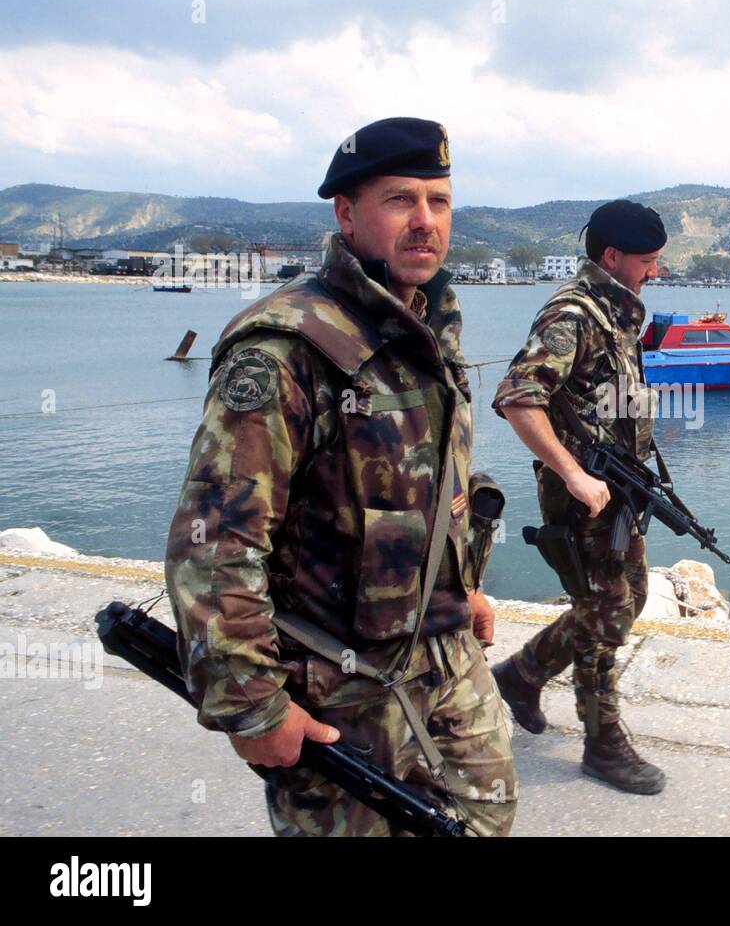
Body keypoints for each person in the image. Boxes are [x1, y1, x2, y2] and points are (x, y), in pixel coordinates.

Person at [164, 117, 516, 836]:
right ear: (347, 215)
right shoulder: (287, 348)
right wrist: (250, 702)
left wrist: (460, 587)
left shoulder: (428, 323)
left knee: (486, 818)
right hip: (340, 687)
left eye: (439, 201)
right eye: (400, 200)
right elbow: (216, 541)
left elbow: (424, 483)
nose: (425, 221)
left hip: (443, 656)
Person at [490, 199, 668, 795]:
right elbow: (518, 398)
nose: (655, 272)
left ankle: (521, 674)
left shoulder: (616, 313)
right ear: (611, 256)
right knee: (604, 615)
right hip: (585, 499)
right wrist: (571, 474)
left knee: (626, 599)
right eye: (647, 261)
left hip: (619, 490)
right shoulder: (573, 315)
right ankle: (602, 744)